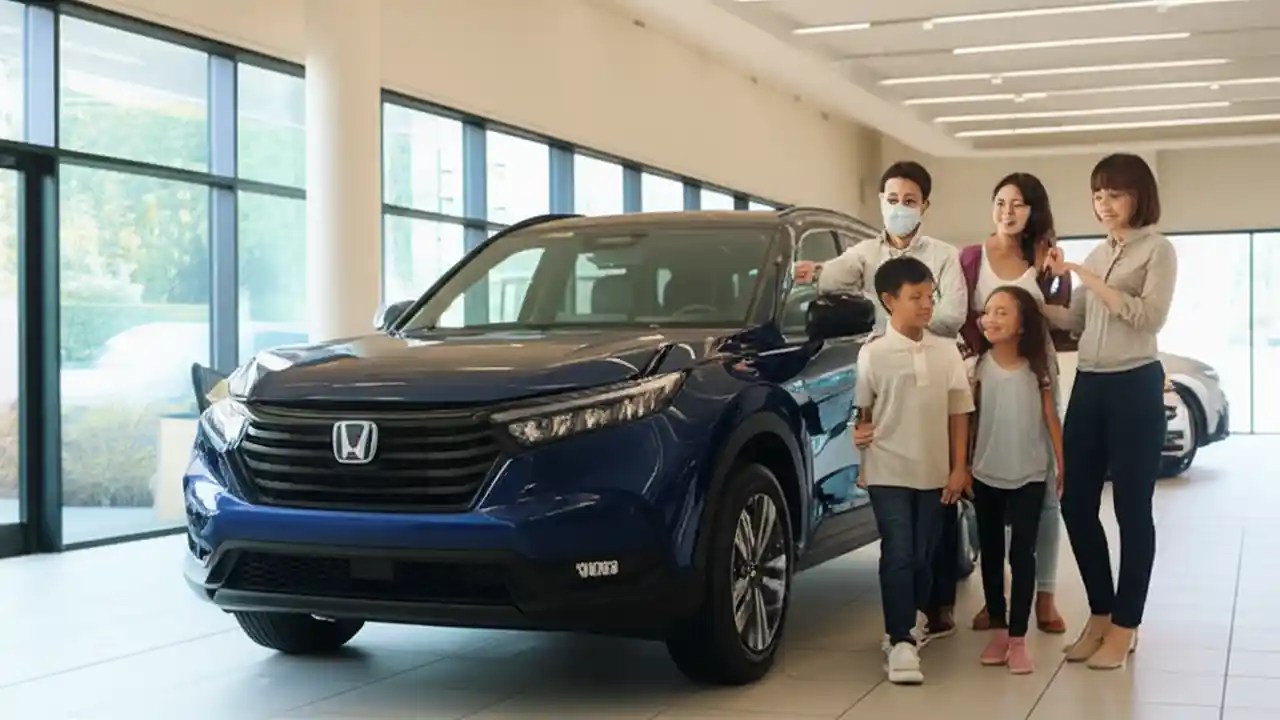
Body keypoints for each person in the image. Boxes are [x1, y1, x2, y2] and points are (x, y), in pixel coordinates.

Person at [799, 160, 968, 640]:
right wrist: (812, 274)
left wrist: (902, 316)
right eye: (891, 199)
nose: (899, 208)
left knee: (940, 490)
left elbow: (953, 316)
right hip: (885, 377)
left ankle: (938, 600)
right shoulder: (864, 252)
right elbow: (828, 281)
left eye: (909, 201)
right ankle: (902, 619)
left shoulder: (943, 255)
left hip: (935, 371)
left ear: (925, 206)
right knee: (896, 492)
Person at [1043, 153, 1177, 671]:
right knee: (1076, 503)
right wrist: (1029, 297)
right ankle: (1100, 613)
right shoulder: (1098, 253)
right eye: (1097, 195)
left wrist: (1084, 274)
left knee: (1131, 510)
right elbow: (1074, 320)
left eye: (1114, 194)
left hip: (1135, 385)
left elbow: (1147, 316)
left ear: (1138, 196)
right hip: (1091, 385)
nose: (1104, 204)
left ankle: (1126, 625)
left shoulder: (1157, 250)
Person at [853, 256, 974, 685]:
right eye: (916, 297)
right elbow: (863, 413)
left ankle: (914, 619)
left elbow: (960, 411)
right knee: (899, 551)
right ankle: (900, 638)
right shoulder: (872, 354)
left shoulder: (946, 352)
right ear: (889, 301)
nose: (926, 305)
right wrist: (859, 435)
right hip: (887, 468)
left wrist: (959, 468)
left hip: (934, 472)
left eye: (930, 297)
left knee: (924, 554)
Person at [960, 173, 1071, 636]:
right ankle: (996, 601)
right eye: (1001, 202)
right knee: (985, 483)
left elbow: (1060, 322)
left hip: (1036, 375)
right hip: (985, 377)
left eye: (1018, 204)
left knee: (1041, 489)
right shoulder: (970, 257)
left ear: (1033, 211)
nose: (1008, 212)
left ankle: (1044, 595)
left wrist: (1059, 276)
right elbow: (961, 320)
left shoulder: (1041, 256)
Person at [969, 286, 1066, 675]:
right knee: (991, 554)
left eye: (1002, 313)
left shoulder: (1037, 371)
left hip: (1029, 473)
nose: (991, 318)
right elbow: (968, 421)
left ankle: (1019, 638)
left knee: (1022, 554)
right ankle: (998, 629)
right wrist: (960, 466)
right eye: (988, 312)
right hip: (986, 474)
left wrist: (1062, 463)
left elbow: (1050, 419)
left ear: (1023, 324)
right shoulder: (976, 369)